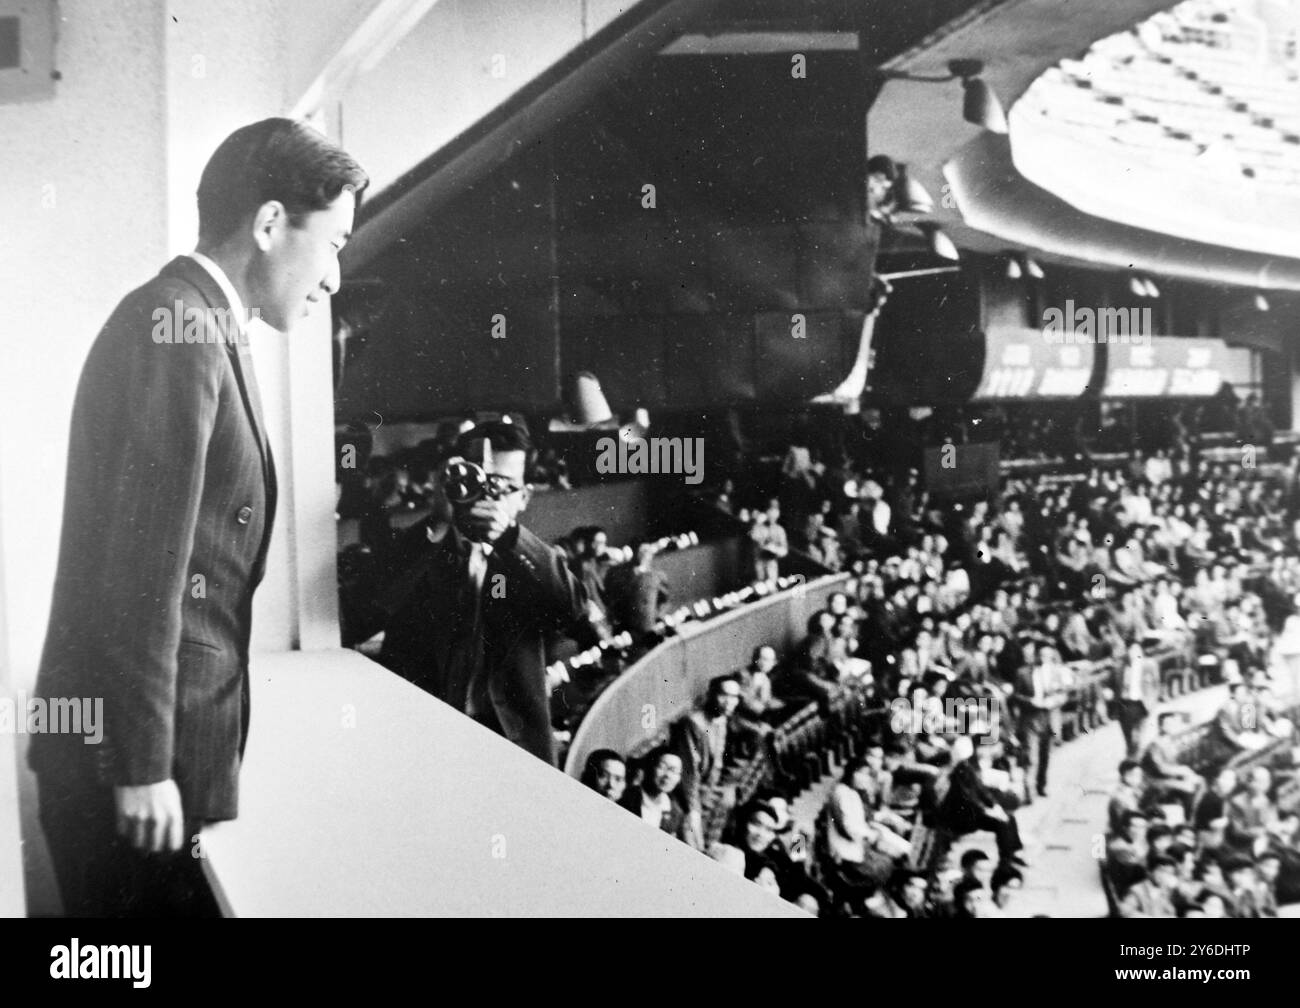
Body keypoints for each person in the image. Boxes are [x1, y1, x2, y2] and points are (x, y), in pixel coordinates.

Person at [30, 119, 367, 917]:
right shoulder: (178, 328)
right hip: (131, 773)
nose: (336, 278)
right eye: (335, 243)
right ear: (270, 223)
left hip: (158, 766)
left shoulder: (202, 325)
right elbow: (146, 570)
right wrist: (142, 764)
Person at [378, 421, 589, 766]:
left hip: (509, 745)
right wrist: (439, 520)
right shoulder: (422, 548)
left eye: (502, 487)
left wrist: (510, 538)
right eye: (479, 483)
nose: (489, 498)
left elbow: (575, 613)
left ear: (524, 498)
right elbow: (371, 606)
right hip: (425, 745)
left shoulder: (530, 559)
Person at [619, 747, 691, 843]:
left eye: (674, 771)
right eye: (662, 767)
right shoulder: (626, 797)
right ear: (648, 767)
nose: (667, 775)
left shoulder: (675, 812)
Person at [1112, 641, 1161, 758]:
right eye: (1131, 650)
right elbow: (1113, 684)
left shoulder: (1149, 665)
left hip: (1141, 705)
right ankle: (1130, 760)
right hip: (1124, 704)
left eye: (1136, 650)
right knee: (1128, 738)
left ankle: (1135, 760)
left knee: (1137, 738)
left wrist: (1151, 702)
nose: (1133, 654)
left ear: (1141, 652)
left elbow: (1156, 685)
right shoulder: (1120, 667)